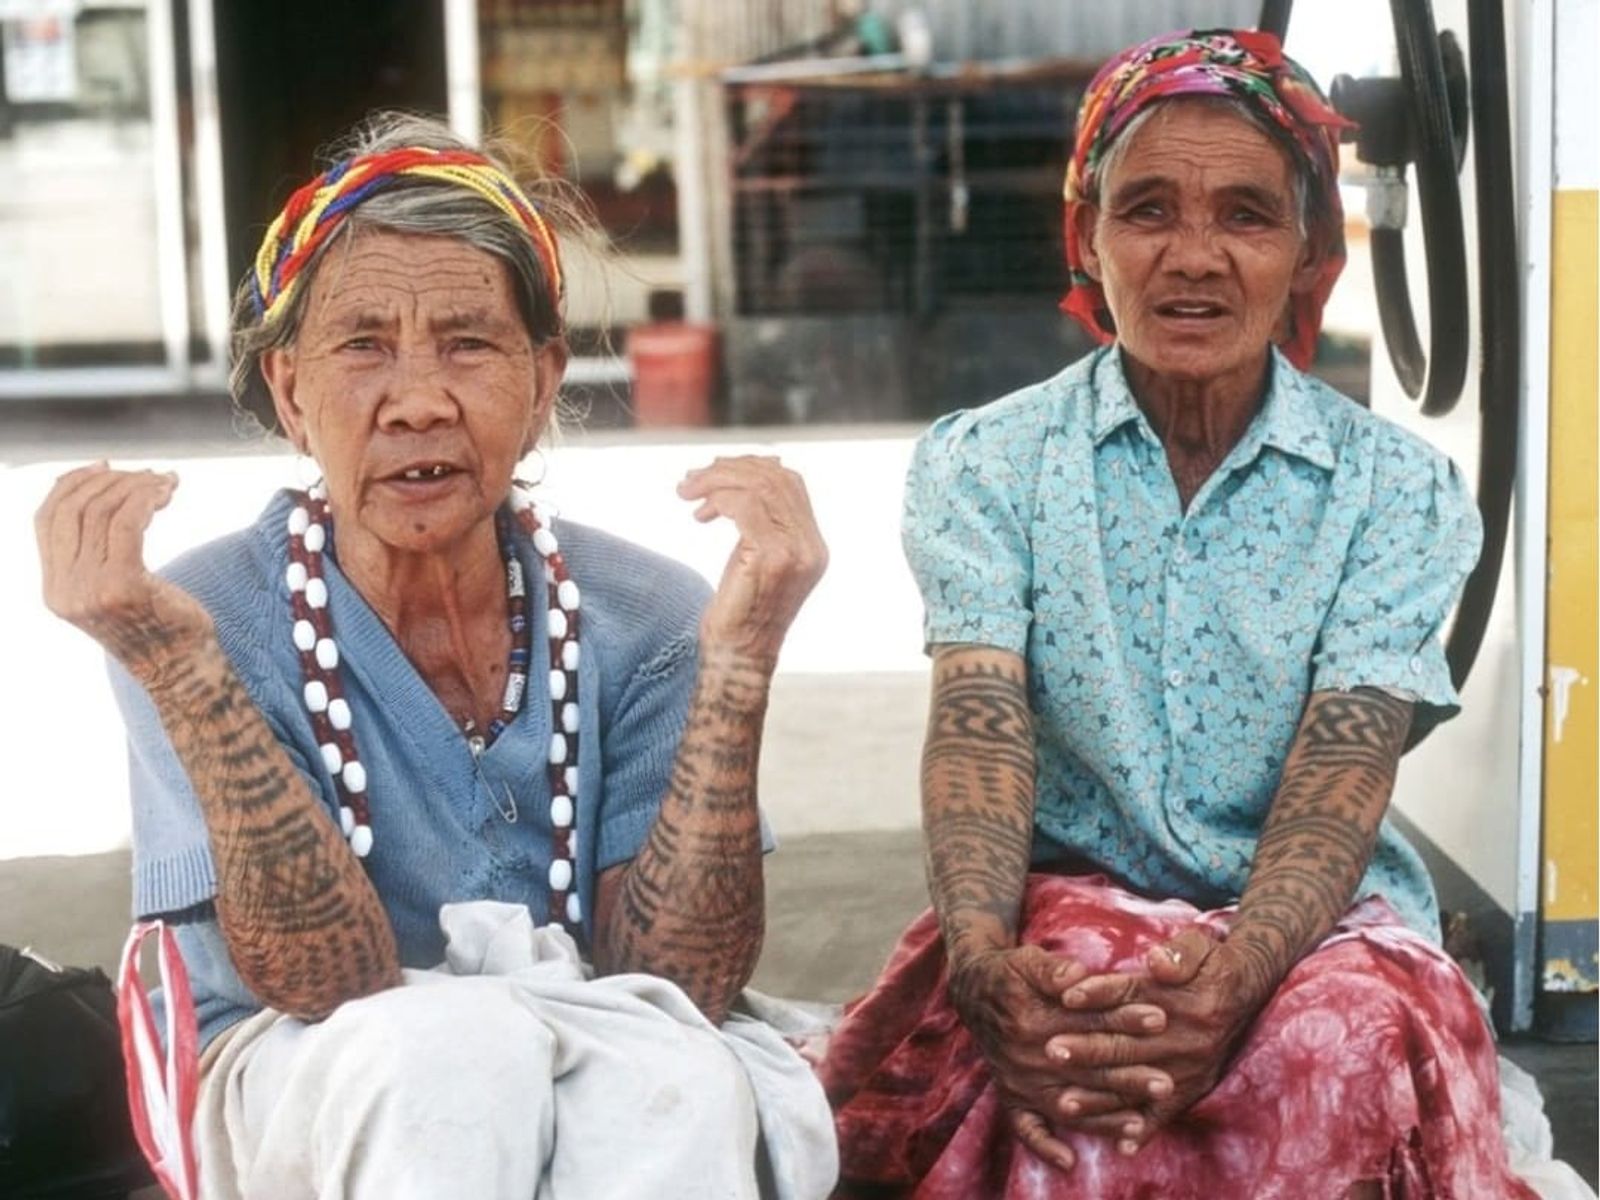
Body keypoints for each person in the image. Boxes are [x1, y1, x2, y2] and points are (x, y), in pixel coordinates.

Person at [34, 113, 835, 1199]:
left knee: (675, 1077)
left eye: (469, 342)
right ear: (290, 391)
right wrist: (180, 670)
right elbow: (325, 982)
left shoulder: (649, 614)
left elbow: (679, 978)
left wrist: (738, 666)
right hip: (304, 1060)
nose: (418, 400)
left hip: (595, 1027)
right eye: (363, 345)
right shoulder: (193, 615)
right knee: (445, 1055)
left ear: (544, 378)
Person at [819, 29, 1538, 1199]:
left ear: (1309, 255)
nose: (1191, 257)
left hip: (1311, 920)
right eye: (1146, 208)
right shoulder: (986, 463)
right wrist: (986, 957)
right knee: (1069, 1067)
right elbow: (979, 728)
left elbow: (1341, 772)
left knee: (1330, 1050)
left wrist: (1240, 970)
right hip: (1065, 897)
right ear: (1086, 237)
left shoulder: (1396, 494)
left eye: (1246, 216)